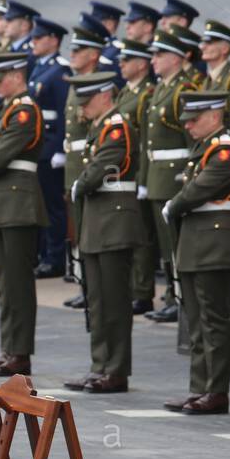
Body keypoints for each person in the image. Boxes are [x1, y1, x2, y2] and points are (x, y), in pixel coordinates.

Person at [161, 91, 230, 415]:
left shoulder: (224, 152)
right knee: (195, 320)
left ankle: (216, 391)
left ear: (215, 116)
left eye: (195, 119)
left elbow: (195, 191)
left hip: (212, 244)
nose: (189, 125)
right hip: (195, 242)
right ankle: (198, 388)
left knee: (214, 322)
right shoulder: (205, 148)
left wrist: (174, 204)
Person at [62, 71, 139, 393]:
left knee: (114, 300)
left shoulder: (117, 127)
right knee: (97, 299)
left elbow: (101, 168)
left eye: (88, 100)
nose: (82, 109)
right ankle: (100, 364)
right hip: (97, 219)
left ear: (105, 96)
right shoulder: (100, 126)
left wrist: (80, 184)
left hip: (114, 220)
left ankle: (115, 369)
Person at [0, 51, 46, 377]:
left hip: (17, 202)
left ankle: (20, 352)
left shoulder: (26, 111)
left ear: (17, 76)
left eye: (1, 80)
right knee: (5, 282)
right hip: (1, 201)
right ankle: (8, 349)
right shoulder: (8, 108)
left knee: (17, 282)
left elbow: (1, 156)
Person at [136, 30, 201, 324]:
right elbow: (148, 141)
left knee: (175, 243)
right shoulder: (161, 89)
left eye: (159, 55)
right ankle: (171, 295)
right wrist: (144, 179)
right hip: (156, 177)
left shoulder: (182, 91)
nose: (153, 60)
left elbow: (192, 140)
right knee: (164, 244)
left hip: (173, 176)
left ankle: (179, 298)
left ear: (176, 58)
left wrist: (189, 177)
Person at [62, 22, 108, 309]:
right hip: (72, 163)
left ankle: (92, 285)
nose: (73, 54)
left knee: (89, 227)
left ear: (94, 54)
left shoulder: (97, 82)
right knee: (76, 228)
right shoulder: (76, 82)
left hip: (88, 162)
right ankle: (82, 282)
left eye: (79, 50)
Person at [28, 17, 70, 279]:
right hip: (37, 145)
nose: (33, 42)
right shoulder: (38, 68)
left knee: (53, 207)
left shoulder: (59, 70)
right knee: (40, 205)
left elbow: (65, 114)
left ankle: (55, 258)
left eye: (38, 38)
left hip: (51, 146)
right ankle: (45, 254)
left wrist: (60, 149)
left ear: (53, 40)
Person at [199, 21, 230, 147]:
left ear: (225, 49)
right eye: (203, 42)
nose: (202, 47)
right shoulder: (208, 81)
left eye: (209, 43)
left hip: (225, 152)